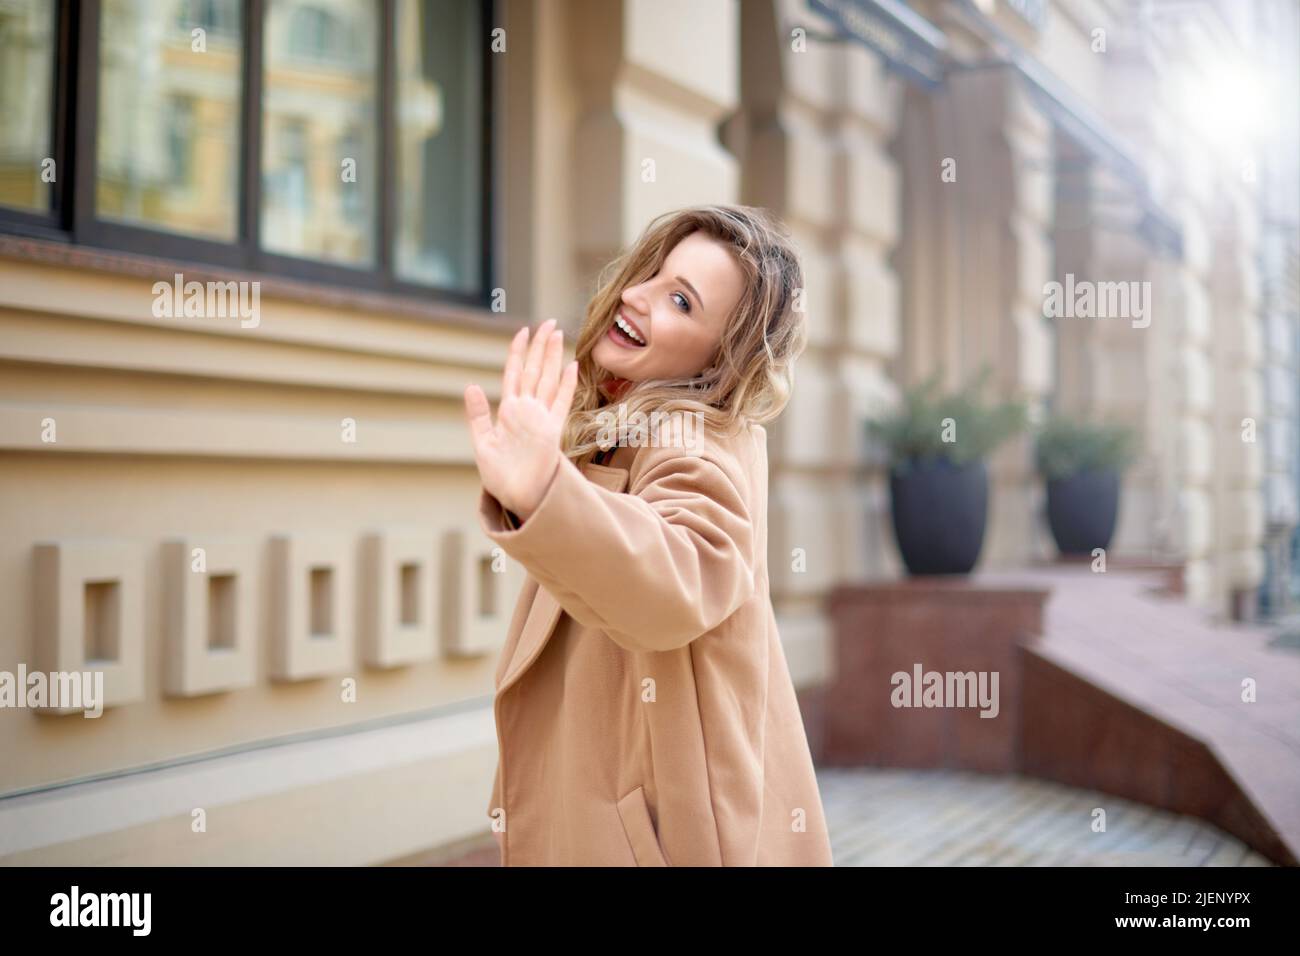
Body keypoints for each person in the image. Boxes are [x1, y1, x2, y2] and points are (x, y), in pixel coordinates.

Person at [462, 204, 833, 866]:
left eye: (682, 301)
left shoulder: (693, 440)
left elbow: (677, 579)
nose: (636, 298)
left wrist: (544, 491)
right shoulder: (627, 426)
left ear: (720, 360)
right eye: (653, 274)